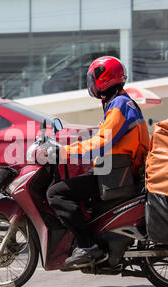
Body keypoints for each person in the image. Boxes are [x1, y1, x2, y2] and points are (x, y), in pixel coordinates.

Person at [46, 56, 150, 267]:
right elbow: (105, 138)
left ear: (103, 79)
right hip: (116, 168)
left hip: (117, 173)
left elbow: (102, 143)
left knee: (56, 193)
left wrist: (64, 152)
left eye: (92, 79)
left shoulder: (119, 104)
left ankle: (88, 246)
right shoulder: (119, 102)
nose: (90, 84)